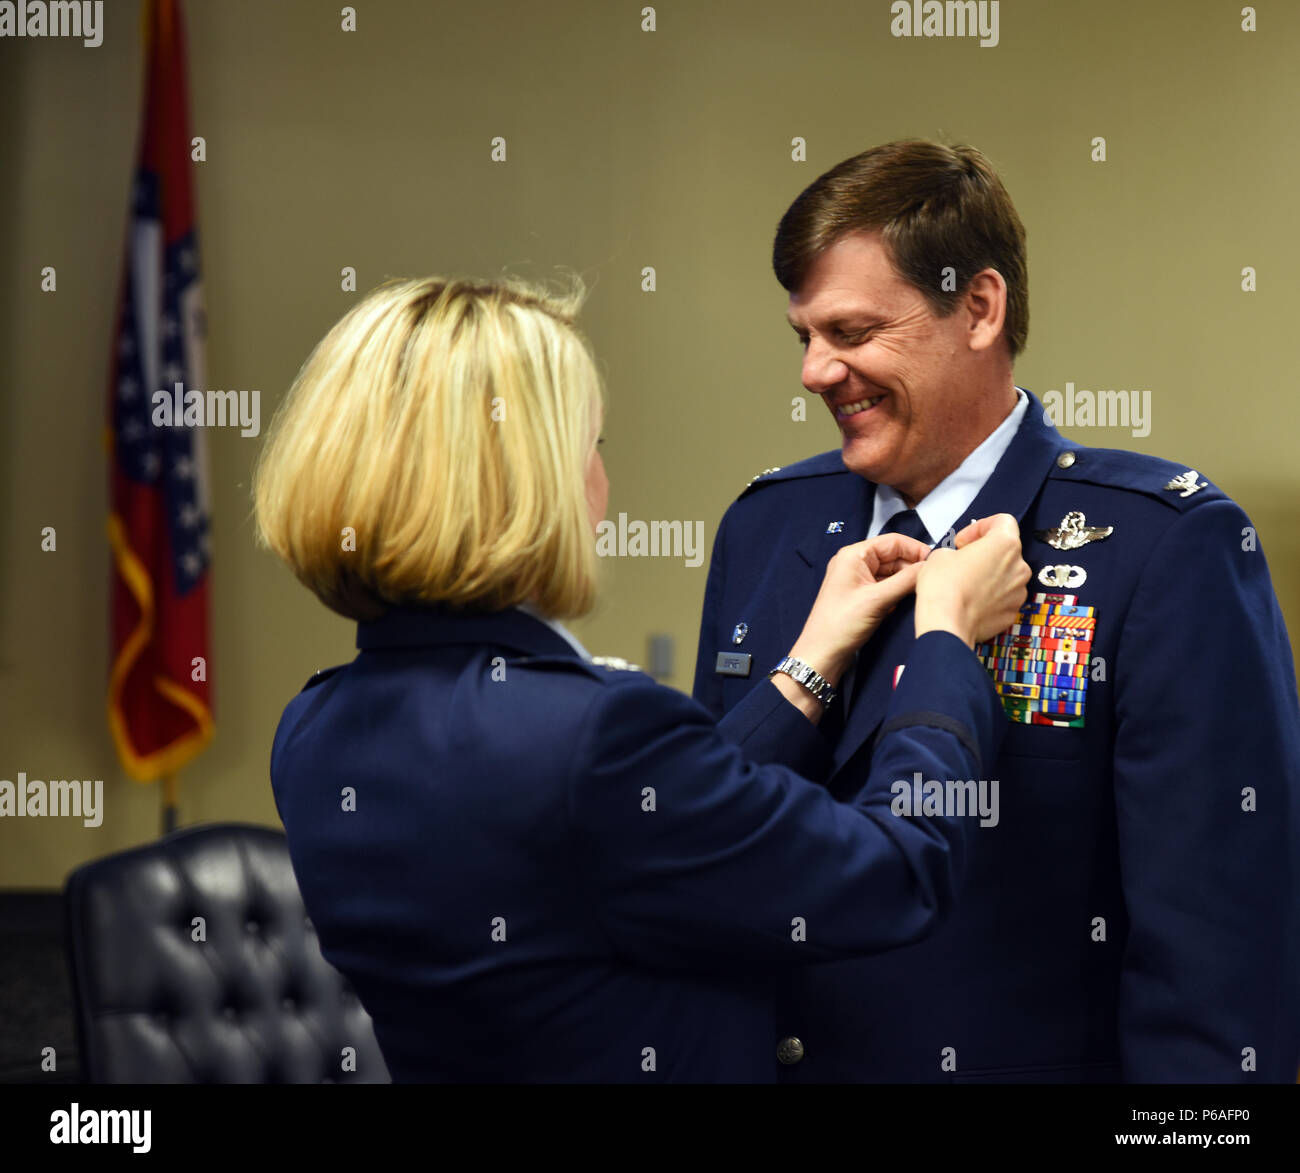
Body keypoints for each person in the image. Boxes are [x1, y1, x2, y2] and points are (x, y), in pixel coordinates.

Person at [252, 274, 1031, 1083]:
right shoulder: (596, 734)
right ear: (529, 482)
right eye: (592, 445)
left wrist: (808, 664)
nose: (602, 484)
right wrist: (945, 636)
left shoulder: (312, 729)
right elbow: (898, 871)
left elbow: (663, 837)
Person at [693, 139, 1300, 1083]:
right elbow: (702, 848)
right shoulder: (770, 525)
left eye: (851, 334)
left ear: (978, 308)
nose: (816, 372)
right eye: (804, 337)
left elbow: (1217, 957)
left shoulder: (1162, 546)